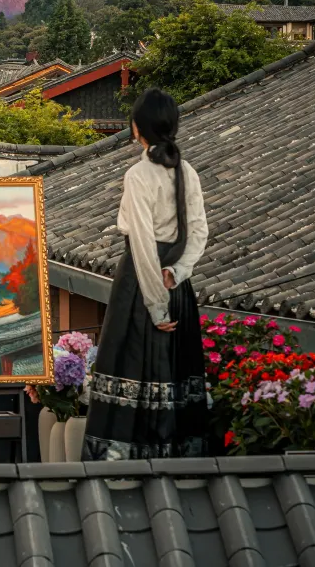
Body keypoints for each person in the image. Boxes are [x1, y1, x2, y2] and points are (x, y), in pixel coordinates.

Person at [82, 87, 209, 460]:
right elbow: (199, 231)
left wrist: (155, 304)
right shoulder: (187, 171)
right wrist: (177, 273)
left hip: (140, 284)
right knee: (174, 373)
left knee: (131, 367)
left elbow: (140, 241)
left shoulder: (139, 174)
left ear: (137, 128)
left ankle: (125, 460)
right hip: (176, 284)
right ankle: (176, 459)